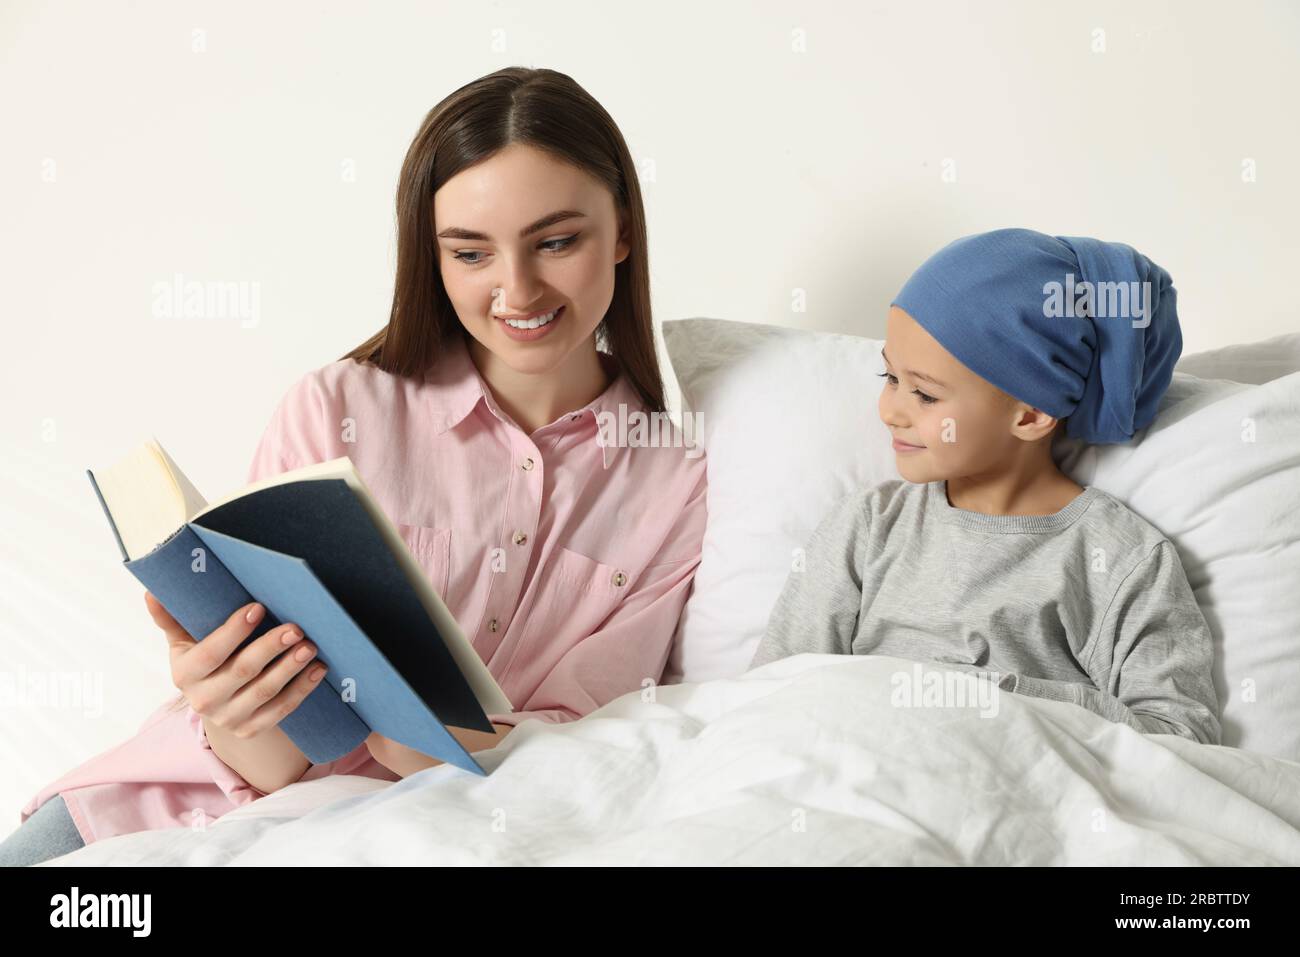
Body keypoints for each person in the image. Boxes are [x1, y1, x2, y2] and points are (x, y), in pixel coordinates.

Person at [2, 67, 707, 866]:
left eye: (556, 241)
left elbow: (580, 748)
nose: (517, 288)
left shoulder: (672, 476)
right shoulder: (336, 407)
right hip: (178, 802)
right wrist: (234, 693)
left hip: (426, 829)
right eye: (471, 253)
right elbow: (267, 754)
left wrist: (438, 743)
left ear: (622, 232)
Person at [749, 228, 1221, 745]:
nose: (889, 410)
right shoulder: (868, 528)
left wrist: (983, 696)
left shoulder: (1120, 558)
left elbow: (1181, 737)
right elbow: (773, 692)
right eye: (889, 378)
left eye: (924, 395)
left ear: (1033, 413)